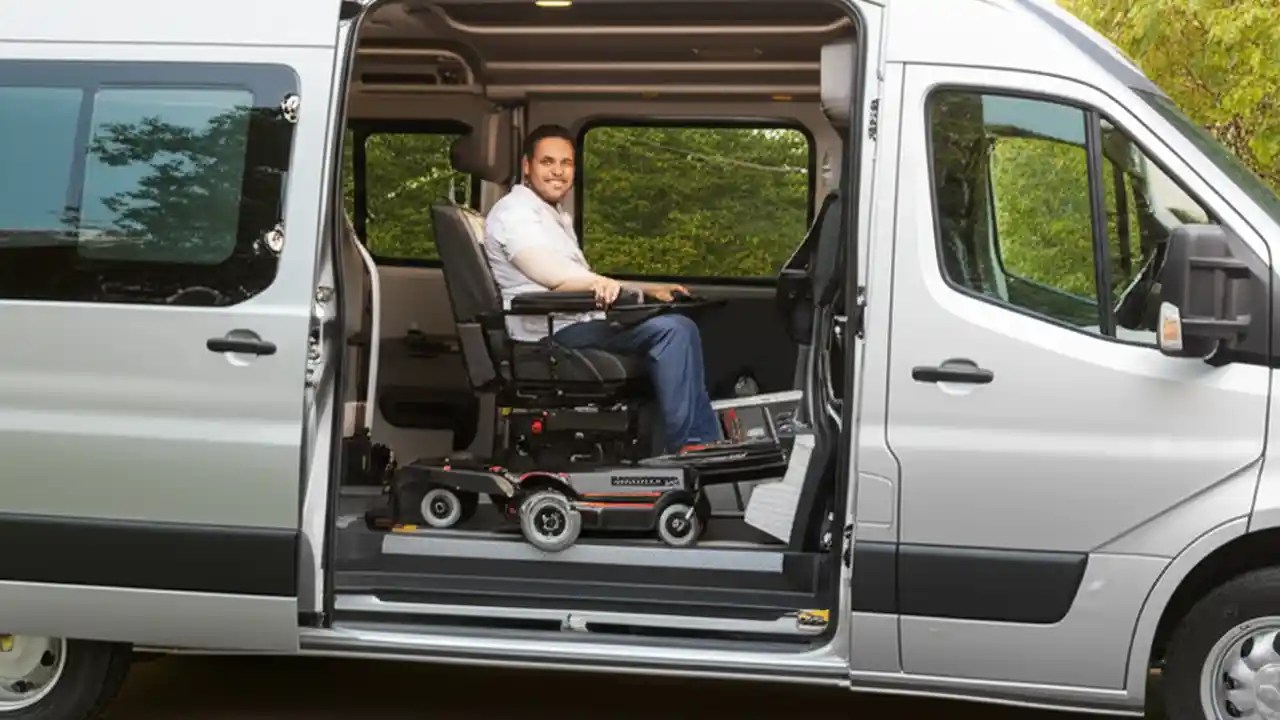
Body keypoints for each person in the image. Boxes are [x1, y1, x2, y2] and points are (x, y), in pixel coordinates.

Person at [483, 123, 722, 453]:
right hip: (549, 336)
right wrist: (603, 285)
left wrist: (647, 289)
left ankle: (693, 445)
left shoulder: (549, 215)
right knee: (672, 332)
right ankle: (690, 447)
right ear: (527, 166)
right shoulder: (515, 214)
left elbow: (577, 275)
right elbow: (552, 276)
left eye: (566, 163)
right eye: (547, 162)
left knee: (679, 328)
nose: (558, 171)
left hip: (575, 325)